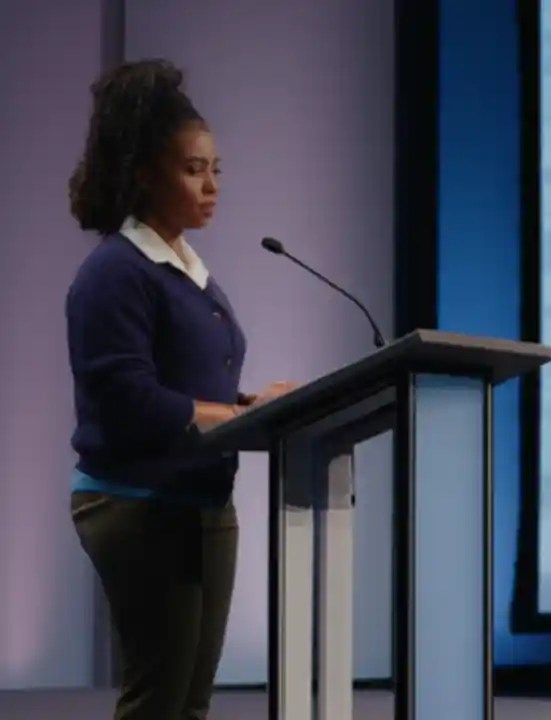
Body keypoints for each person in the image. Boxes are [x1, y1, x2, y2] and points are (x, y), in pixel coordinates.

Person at [64, 59, 294, 720]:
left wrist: (253, 407)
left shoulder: (189, 270)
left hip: (201, 503)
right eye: (194, 169)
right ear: (144, 173)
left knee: (189, 704)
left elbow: (188, 385)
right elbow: (130, 399)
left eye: (217, 169)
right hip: (138, 504)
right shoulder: (115, 271)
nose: (212, 185)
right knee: (158, 702)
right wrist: (234, 415)